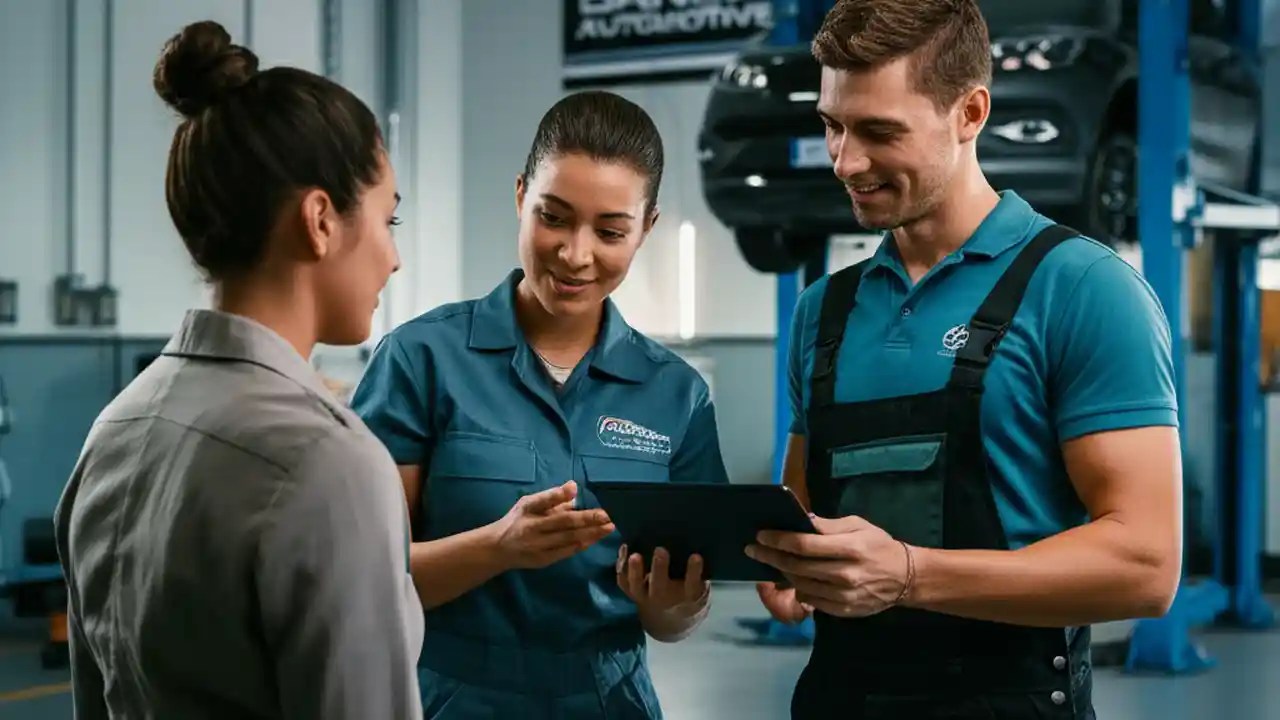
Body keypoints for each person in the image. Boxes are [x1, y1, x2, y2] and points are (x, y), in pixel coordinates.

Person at [742, 1, 1182, 718]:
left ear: (969, 112)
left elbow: (1146, 566)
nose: (846, 161)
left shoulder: (1082, 289)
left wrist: (909, 575)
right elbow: (803, 524)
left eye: (880, 131)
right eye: (833, 125)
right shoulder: (821, 311)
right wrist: (786, 570)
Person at [53, 20, 423, 720]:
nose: (393, 257)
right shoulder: (329, 462)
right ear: (320, 220)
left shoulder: (115, 428)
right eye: (388, 221)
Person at [350, 89, 730, 719]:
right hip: (451, 698)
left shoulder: (677, 394)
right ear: (522, 195)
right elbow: (369, 580)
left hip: (612, 701)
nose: (576, 254)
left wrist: (669, 602)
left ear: (648, 228)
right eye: (553, 217)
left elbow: (673, 620)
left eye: (610, 231)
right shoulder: (421, 360)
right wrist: (498, 547)